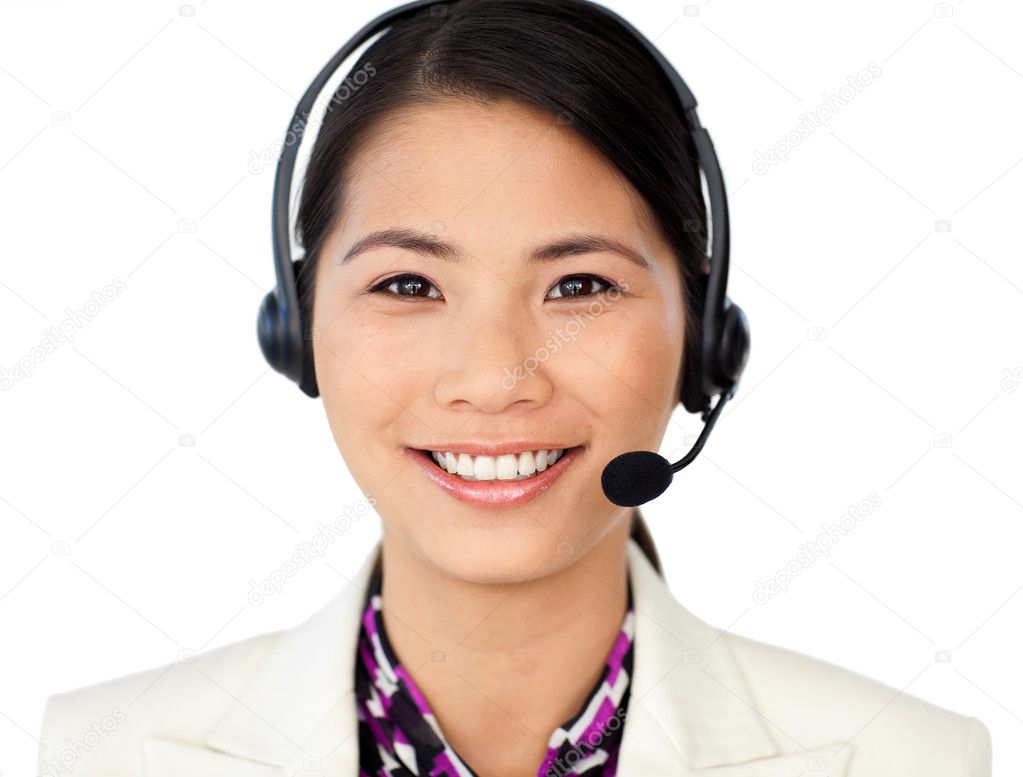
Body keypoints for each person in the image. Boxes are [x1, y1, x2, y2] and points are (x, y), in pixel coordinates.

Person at [37, 1, 991, 775]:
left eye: (579, 285)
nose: (493, 380)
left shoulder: (916, 758)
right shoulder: (99, 751)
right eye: (407, 284)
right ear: (295, 331)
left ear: (702, 337)